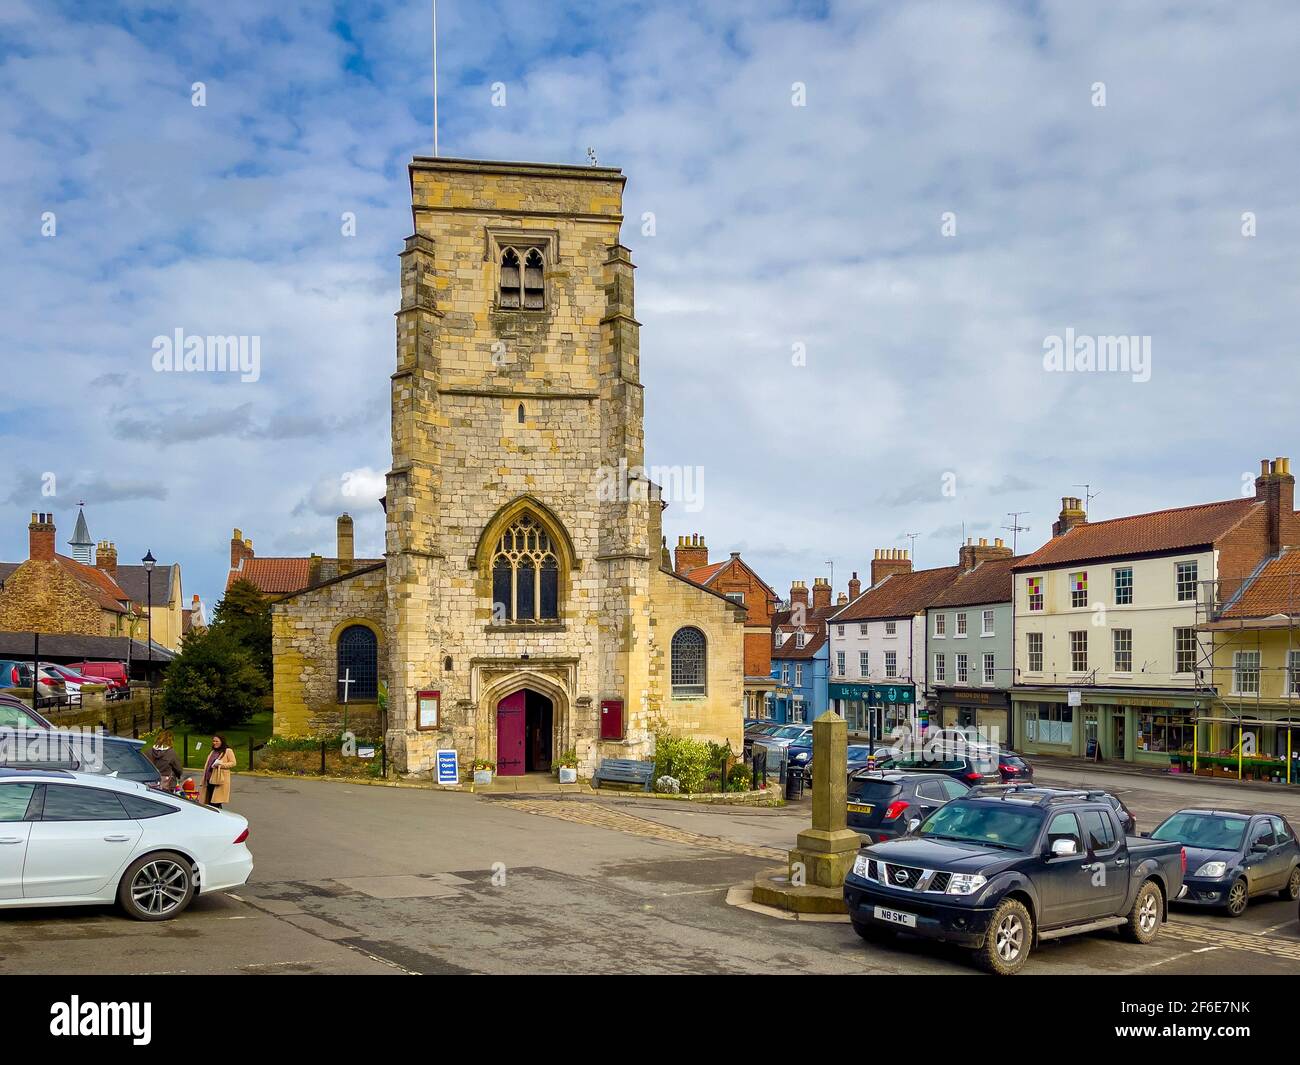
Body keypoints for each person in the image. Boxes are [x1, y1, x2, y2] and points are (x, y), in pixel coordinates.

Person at [202, 734, 237, 809]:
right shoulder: (213, 751)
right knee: (210, 801)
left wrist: (221, 765)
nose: (214, 743)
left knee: (215, 802)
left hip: (219, 780)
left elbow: (233, 763)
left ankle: (218, 817)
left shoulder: (228, 751)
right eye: (213, 741)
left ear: (222, 742)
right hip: (210, 780)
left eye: (217, 741)